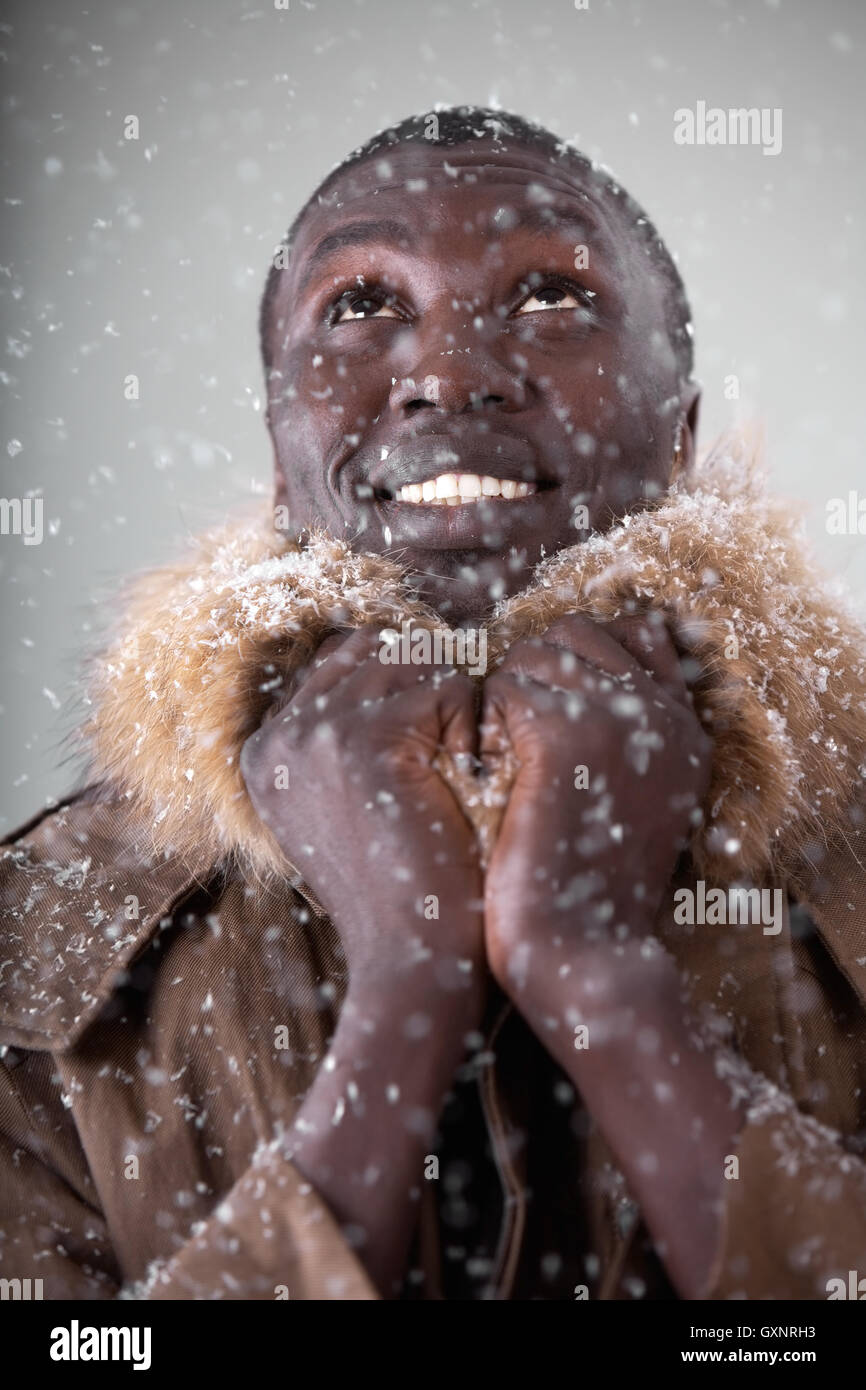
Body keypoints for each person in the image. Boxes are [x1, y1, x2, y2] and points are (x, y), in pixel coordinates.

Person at [1, 105, 865, 1302]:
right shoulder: (38, 934)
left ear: (681, 435)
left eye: (550, 295)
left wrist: (602, 981)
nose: (451, 374)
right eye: (360, 305)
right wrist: (404, 994)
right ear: (277, 456)